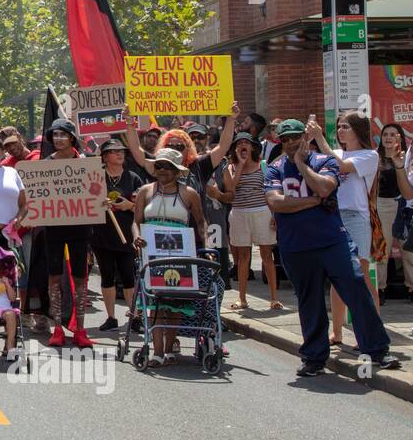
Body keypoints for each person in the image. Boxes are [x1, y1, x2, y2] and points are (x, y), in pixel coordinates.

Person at [265, 118, 398, 375]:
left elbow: (325, 187)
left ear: (305, 137)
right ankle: (314, 358)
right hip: (296, 246)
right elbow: (276, 203)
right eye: (286, 139)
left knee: (355, 288)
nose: (292, 143)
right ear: (280, 142)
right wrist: (314, 201)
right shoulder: (274, 169)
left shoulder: (323, 161)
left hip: (332, 241)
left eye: (296, 137)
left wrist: (303, 166)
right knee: (309, 301)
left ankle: (377, 350)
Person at [305, 113, 381, 345]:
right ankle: (337, 332)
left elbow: (342, 167)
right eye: (339, 126)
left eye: (346, 126)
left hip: (356, 217)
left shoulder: (370, 155)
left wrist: (320, 138)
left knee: (360, 277)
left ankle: (370, 332)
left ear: (359, 130)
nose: (340, 130)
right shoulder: (333, 151)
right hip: (334, 215)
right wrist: (308, 138)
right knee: (337, 277)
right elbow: (309, 164)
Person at [132, 146, 208, 366]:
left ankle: (168, 348)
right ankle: (156, 352)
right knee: (156, 301)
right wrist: (136, 237)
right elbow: (136, 222)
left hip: (180, 253)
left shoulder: (188, 194)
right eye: (159, 166)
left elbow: (201, 222)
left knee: (176, 302)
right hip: (152, 253)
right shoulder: (146, 191)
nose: (162, 170)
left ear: (177, 171)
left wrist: (209, 246)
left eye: (167, 166)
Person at [34, 118, 94, 347]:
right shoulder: (45, 164)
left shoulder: (85, 162)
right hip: (54, 227)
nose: (58, 139)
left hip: (80, 228)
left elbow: (95, 191)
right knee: (54, 278)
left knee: (80, 278)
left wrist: (101, 202)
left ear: (71, 138)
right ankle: (57, 328)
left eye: (63, 134)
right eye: (55, 135)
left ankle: (80, 329)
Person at [210, 132, 282, 311]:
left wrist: (275, 215)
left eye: (246, 143)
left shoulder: (263, 166)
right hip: (240, 212)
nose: (243, 145)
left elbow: (270, 192)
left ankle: (274, 298)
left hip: (262, 212)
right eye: (240, 143)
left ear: (252, 147)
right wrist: (240, 165)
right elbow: (231, 189)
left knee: (267, 255)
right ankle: (242, 298)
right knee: (242, 258)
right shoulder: (229, 167)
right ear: (235, 148)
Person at [91, 137, 140, 331]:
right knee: (107, 276)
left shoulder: (133, 178)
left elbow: (143, 206)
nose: (120, 154)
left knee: (128, 276)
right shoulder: (96, 176)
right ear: (104, 156)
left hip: (127, 236)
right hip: (101, 236)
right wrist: (98, 204)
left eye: (122, 151)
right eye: (114, 151)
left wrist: (129, 205)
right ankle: (111, 317)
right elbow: (86, 202)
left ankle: (134, 316)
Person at [375, 123, 413, 302]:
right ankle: (380, 288)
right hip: (383, 205)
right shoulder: (375, 158)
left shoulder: (407, 157)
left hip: (405, 205)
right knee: (382, 249)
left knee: (409, 251)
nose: (389, 137)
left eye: (393, 134)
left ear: (400, 137)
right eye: (385, 134)